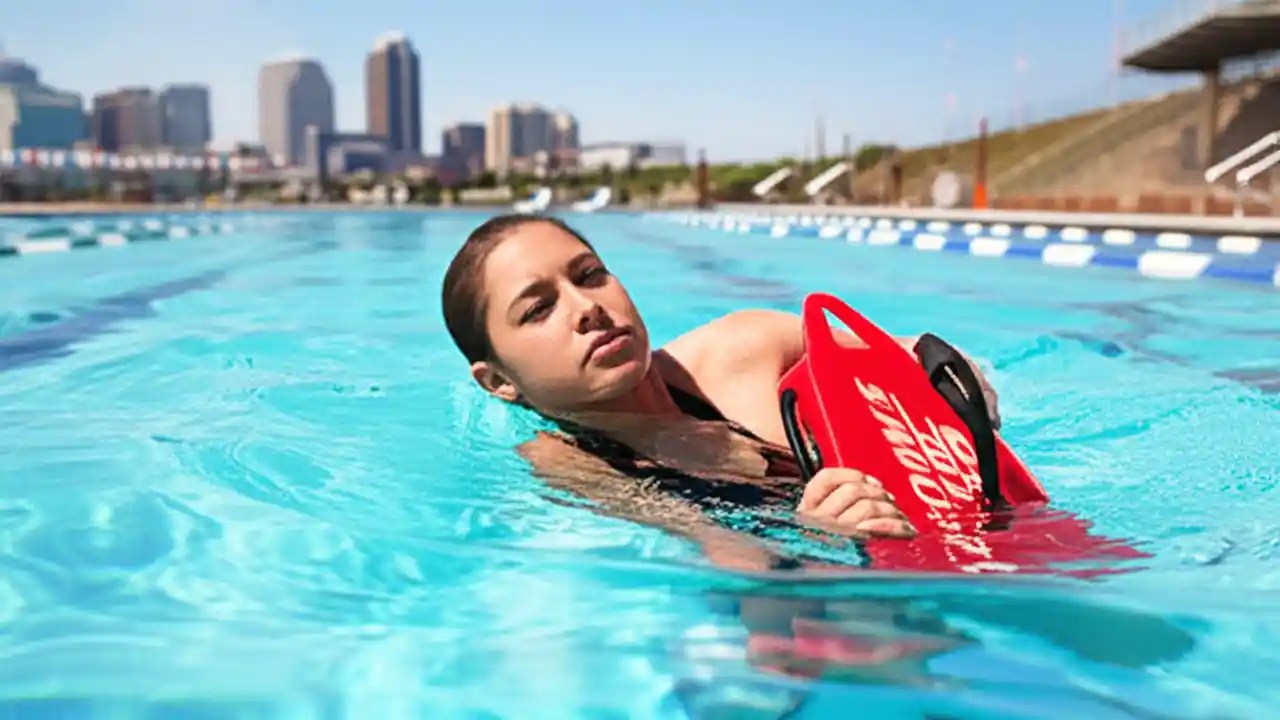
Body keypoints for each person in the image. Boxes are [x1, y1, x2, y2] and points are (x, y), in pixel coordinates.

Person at [440, 214, 1002, 570]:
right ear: (499, 382)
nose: (587, 307)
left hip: (990, 530)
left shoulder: (742, 346)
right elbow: (731, 554)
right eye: (539, 308)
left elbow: (912, 351)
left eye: (589, 275)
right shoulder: (571, 465)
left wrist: (955, 377)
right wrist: (817, 541)